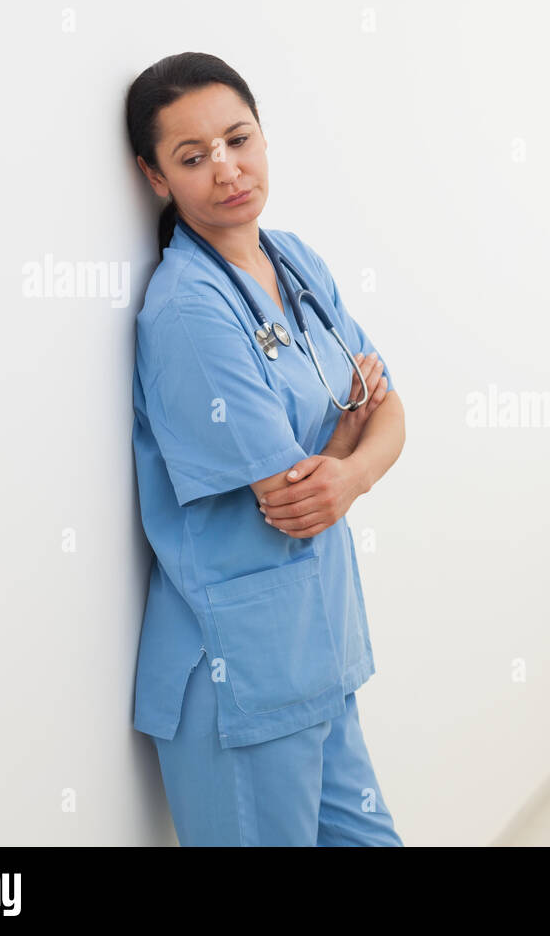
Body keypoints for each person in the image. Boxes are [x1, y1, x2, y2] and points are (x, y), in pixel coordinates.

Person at [125, 52, 406, 844]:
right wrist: (347, 447)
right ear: (155, 177)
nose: (226, 169)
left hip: (317, 653)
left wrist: (347, 468)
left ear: (263, 139)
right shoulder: (187, 309)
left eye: (238, 139)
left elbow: (391, 416)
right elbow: (292, 497)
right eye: (193, 157)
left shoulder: (296, 261)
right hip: (238, 676)